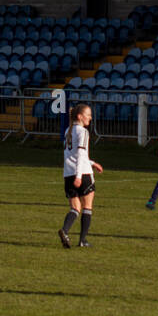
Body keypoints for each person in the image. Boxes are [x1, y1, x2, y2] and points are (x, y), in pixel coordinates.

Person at [59, 102, 102, 248]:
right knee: (87, 207)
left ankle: (65, 231)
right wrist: (79, 175)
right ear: (80, 116)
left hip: (68, 174)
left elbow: (73, 155)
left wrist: (92, 163)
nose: (90, 118)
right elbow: (81, 154)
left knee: (75, 208)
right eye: (88, 115)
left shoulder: (68, 131)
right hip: (82, 174)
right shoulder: (83, 132)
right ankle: (83, 240)